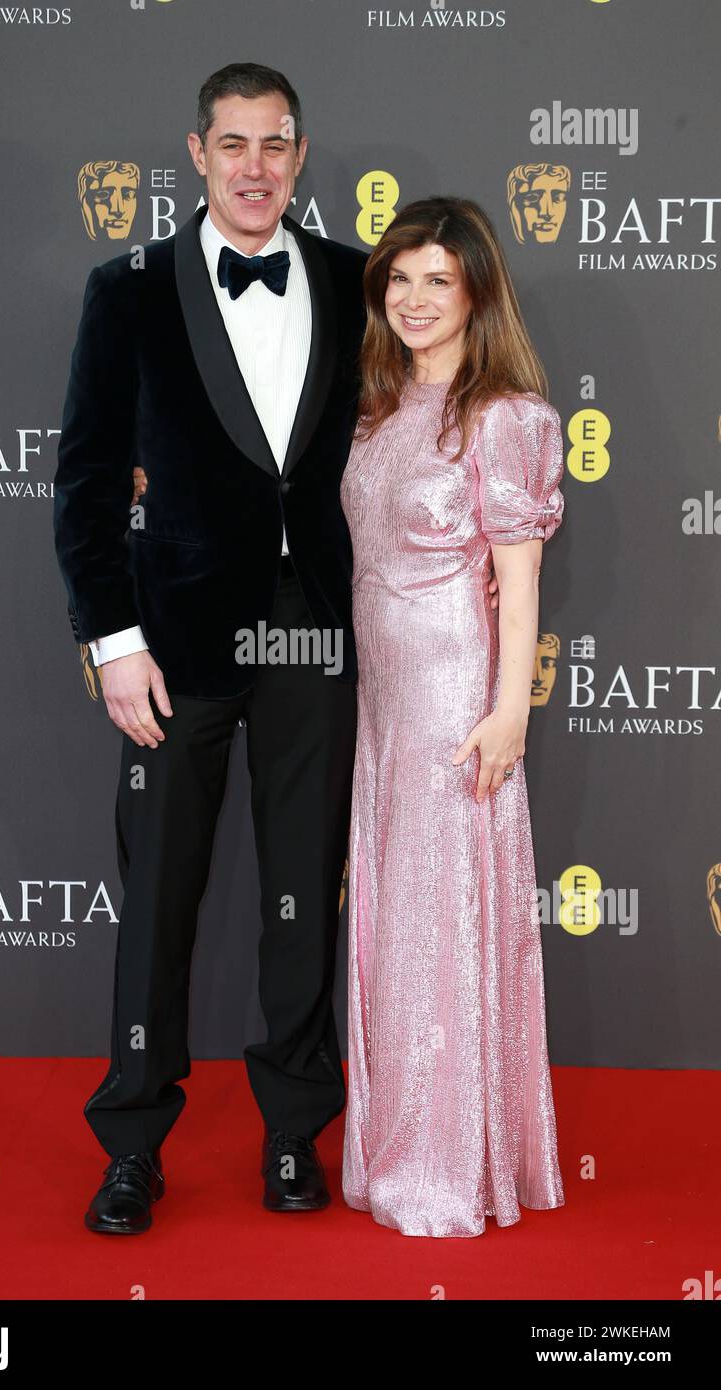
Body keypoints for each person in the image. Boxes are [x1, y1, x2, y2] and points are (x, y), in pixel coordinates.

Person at [53, 65, 505, 1234]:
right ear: (196, 153)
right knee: (158, 900)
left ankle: (296, 1132)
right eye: (233, 144)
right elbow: (88, 485)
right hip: (177, 650)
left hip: (319, 639)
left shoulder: (359, 281)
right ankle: (133, 1142)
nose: (255, 167)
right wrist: (111, 641)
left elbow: (440, 415)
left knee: (304, 893)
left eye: (276, 145)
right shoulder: (129, 288)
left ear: (302, 157)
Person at [339, 197, 566, 1237]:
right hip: (384, 706)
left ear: (477, 289)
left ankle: (447, 1165)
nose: (416, 299)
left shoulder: (508, 415)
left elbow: (518, 586)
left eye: (439, 278)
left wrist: (506, 711)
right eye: (400, 279)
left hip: (452, 700)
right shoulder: (380, 406)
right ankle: (397, 1139)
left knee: (445, 921)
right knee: (397, 919)